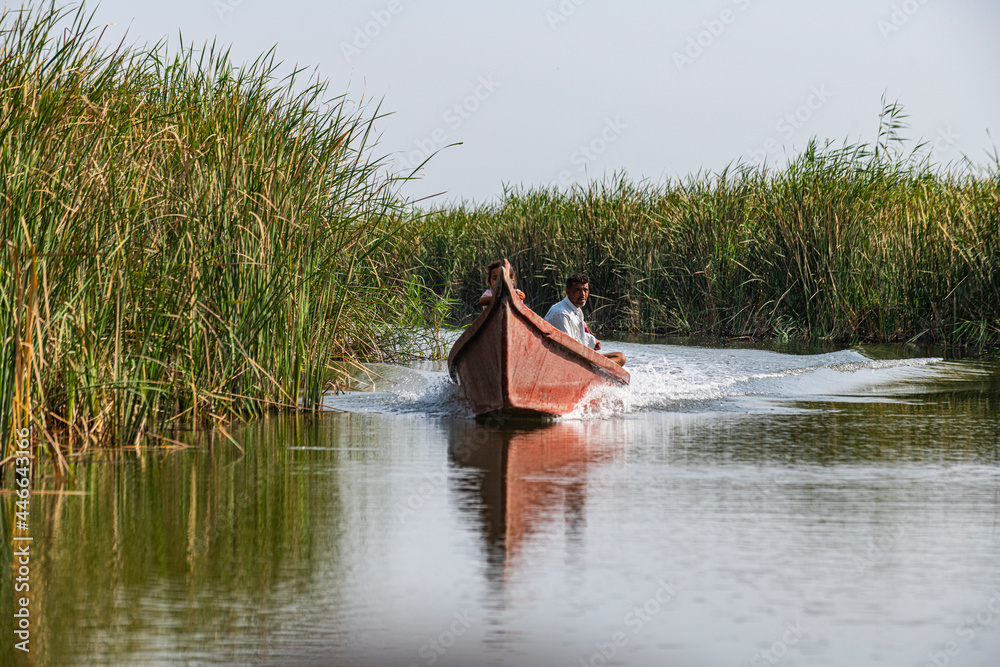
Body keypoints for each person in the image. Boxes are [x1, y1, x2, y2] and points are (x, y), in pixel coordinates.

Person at [544, 273, 626, 366]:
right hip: (565, 361)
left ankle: (596, 371)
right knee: (617, 359)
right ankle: (594, 371)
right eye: (577, 290)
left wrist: (593, 341)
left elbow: (578, 337)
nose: (583, 294)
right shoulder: (560, 313)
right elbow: (567, 347)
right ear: (567, 292)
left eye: (585, 290)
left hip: (577, 357)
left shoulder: (576, 309)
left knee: (619, 357)